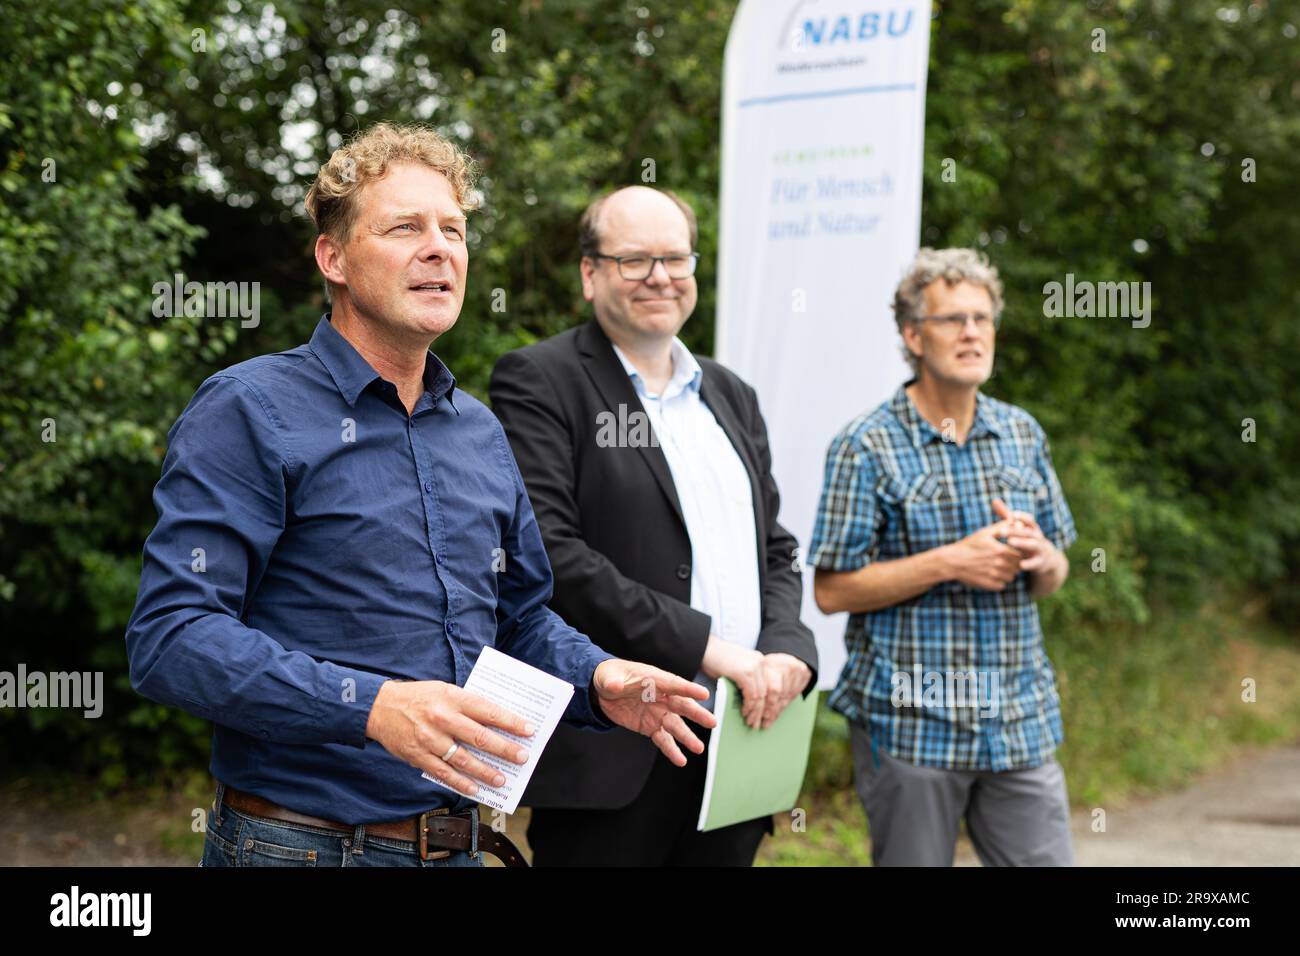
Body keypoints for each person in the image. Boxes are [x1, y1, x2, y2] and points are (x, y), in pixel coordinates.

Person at [124, 124, 716, 868]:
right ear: (332, 258)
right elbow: (171, 639)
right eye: (405, 227)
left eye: (454, 230)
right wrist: (370, 706)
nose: (440, 248)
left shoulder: (479, 433)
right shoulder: (249, 410)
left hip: (457, 847)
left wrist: (601, 678)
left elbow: (520, 621)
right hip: (299, 848)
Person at [489, 185, 818, 866]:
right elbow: (552, 554)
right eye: (634, 260)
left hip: (738, 746)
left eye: (675, 258)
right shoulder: (542, 381)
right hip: (613, 752)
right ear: (590, 273)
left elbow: (775, 549)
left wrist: (788, 649)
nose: (661, 277)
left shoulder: (731, 394)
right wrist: (712, 649)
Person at [809, 247, 1078, 866]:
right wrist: (951, 561)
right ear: (912, 335)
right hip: (911, 726)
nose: (972, 333)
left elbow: (1056, 573)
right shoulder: (865, 444)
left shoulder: (1021, 432)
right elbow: (832, 591)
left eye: (983, 319)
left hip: (1018, 722)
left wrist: (1041, 557)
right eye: (953, 320)